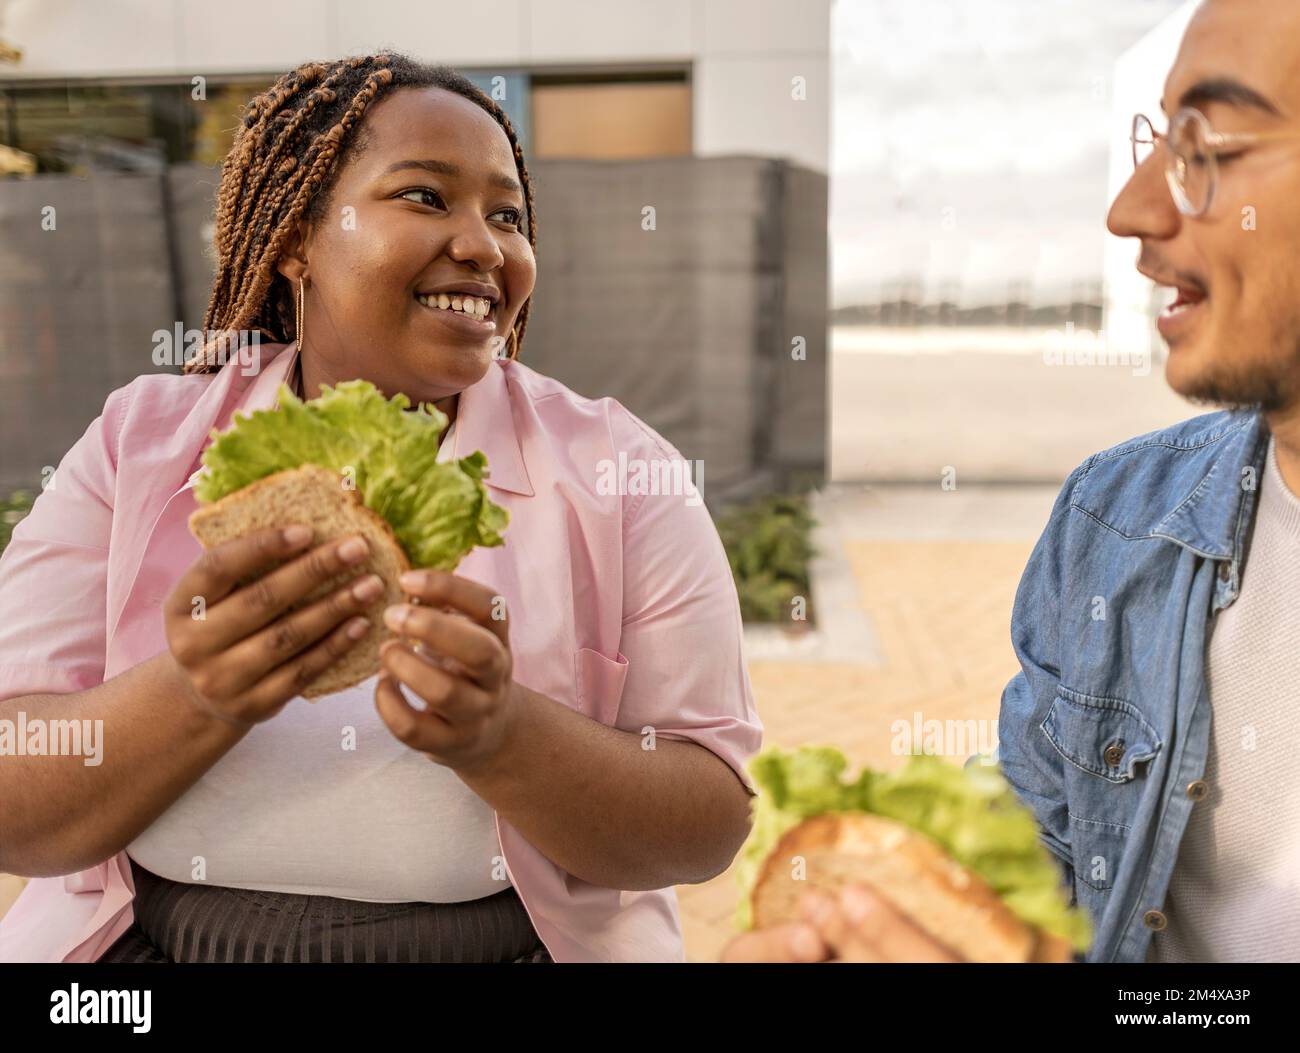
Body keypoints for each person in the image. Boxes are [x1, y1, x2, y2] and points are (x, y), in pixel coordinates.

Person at [0, 52, 761, 964]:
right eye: (427, 198)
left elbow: (707, 821)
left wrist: (502, 734)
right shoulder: (139, 445)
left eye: (509, 215)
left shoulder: (622, 469)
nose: (485, 245)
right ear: (295, 239)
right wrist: (196, 692)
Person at [724, 0, 1300, 963]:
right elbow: (1048, 865)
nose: (1134, 210)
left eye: (1210, 144)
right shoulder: (1115, 522)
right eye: (1159, 139)